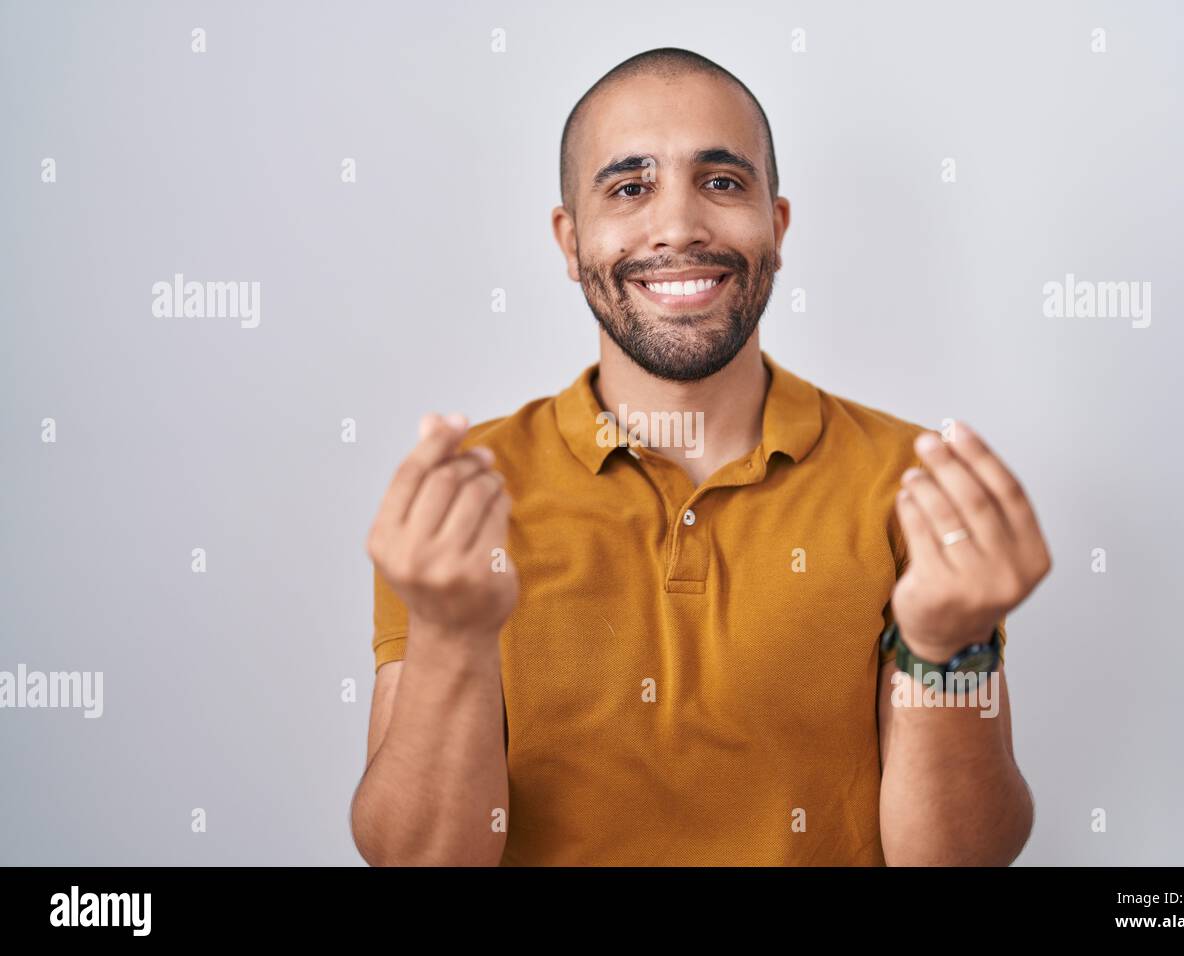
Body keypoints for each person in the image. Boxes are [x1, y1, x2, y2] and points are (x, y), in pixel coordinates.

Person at [350, 48, 1050, 866]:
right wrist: (450, 633)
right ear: (570, 242)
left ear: (777, 228)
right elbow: (418, 860)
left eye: (722, 182)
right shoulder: (463, 499)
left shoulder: (917, 489)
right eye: (629, 188)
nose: (678, 226)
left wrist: (949, 649)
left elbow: (959, 860)